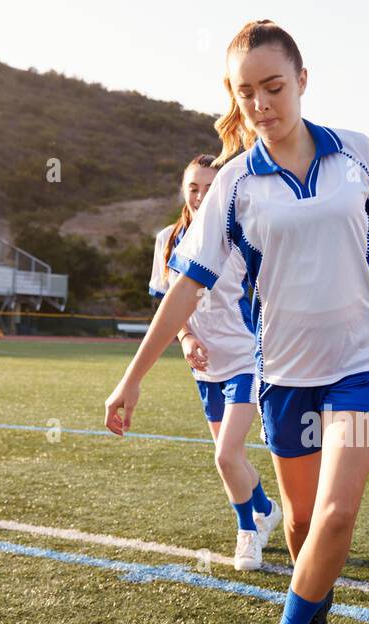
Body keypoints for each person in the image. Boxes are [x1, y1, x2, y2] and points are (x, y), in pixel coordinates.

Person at [105, 20, 369, 624]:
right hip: (284, 372)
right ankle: (312, 595)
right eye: (248, 92)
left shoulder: (358, 155)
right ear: (236, 98)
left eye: (274, 87)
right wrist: (131, 377)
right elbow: (187, 287)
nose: (263, 103)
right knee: (298, 522)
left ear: (302, 81)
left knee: (339, 514)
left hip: (363, 361)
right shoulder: (233, 185)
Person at [148, 153, 281, 570]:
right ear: (182, 190)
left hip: (244, 360)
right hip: (203, 366)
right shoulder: (168, 238)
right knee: (232, 458)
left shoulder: (241, 236)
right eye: (193, 187)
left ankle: (248, 532)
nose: (201, 195)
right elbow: (167, 303)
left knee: (226, 456)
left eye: (210, 187)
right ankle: (266, 508)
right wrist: (186, 337)